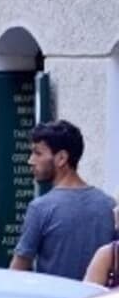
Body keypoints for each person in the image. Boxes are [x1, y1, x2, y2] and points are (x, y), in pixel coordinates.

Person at [13, 120, 117, 280]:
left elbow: (17, 272)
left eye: (38, 153)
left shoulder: (40, 208)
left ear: (61, 158)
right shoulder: (109, 205)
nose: (30, 160)